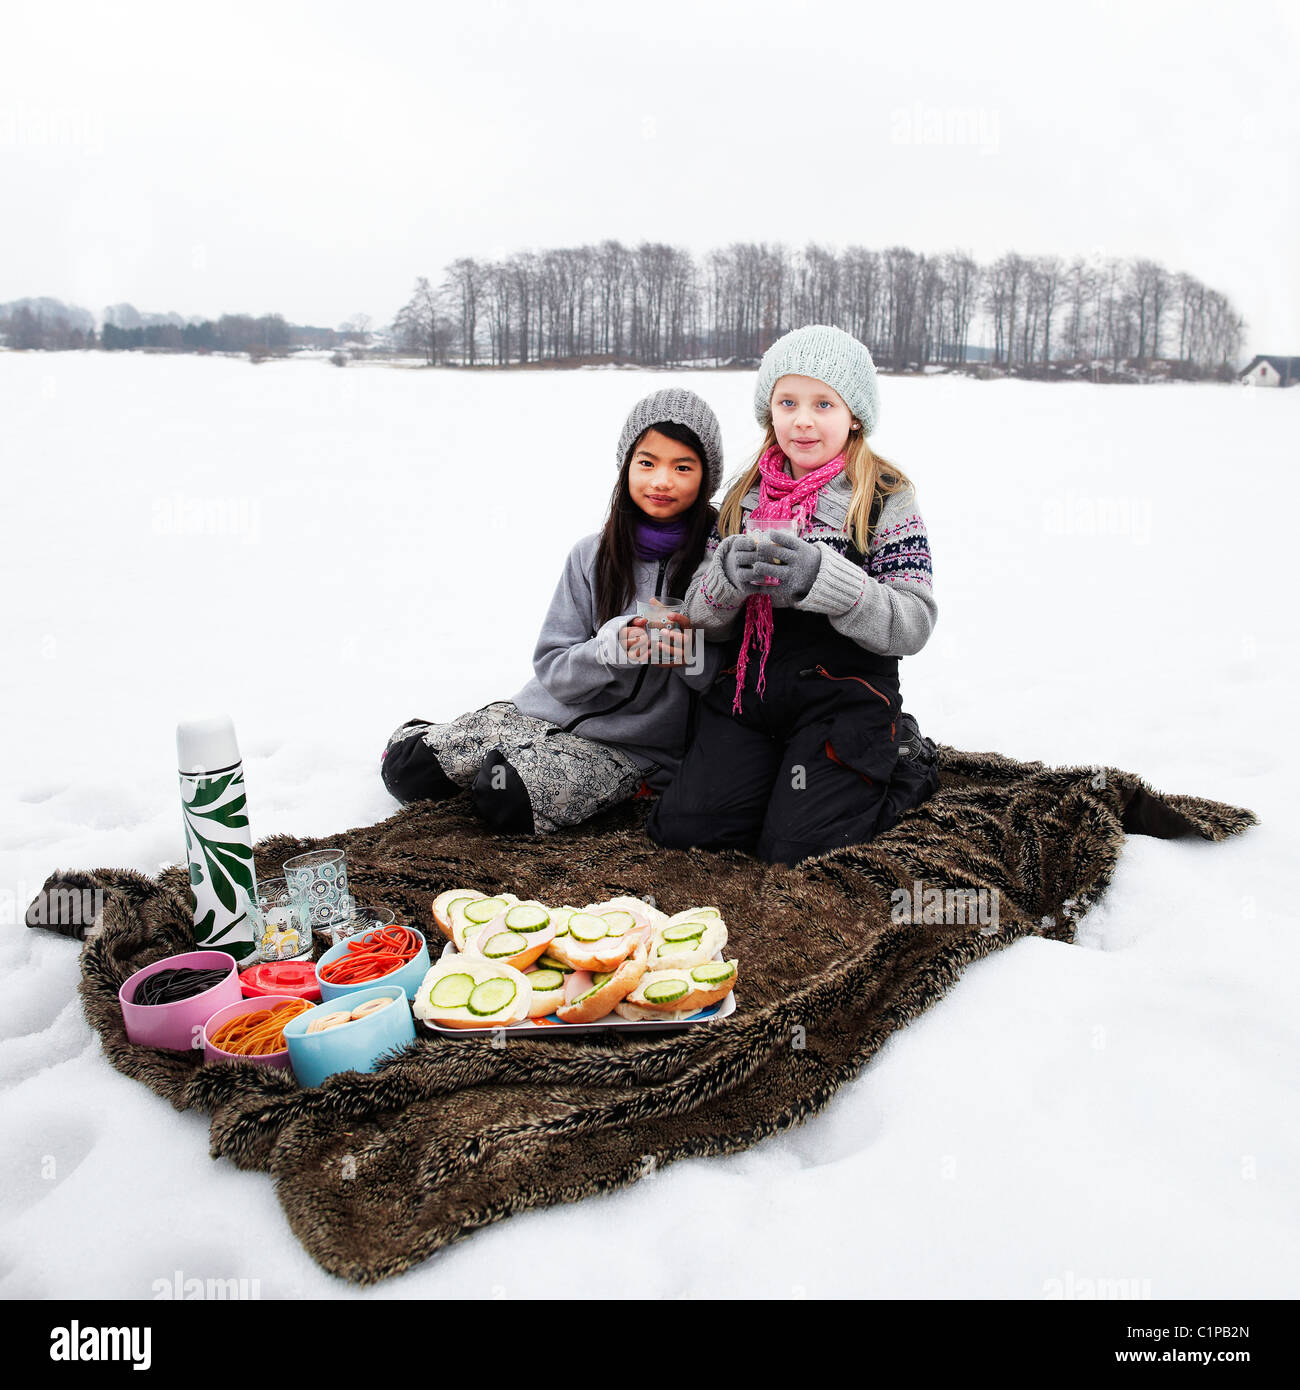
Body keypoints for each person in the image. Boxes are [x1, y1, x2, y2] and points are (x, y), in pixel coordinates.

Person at [647, 324, 941, 866]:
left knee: (797, 849)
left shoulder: (884, 500)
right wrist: (723, 582)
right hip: (748, 697)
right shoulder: (743, 496)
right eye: (788, 402)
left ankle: (903, 754)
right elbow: (699, 623)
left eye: (823, 403)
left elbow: (913, 623)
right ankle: (781, 776)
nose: (803, 420)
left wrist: (820, 580)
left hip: (844, 697)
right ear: (770, 411)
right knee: (687, 829)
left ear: (854, 414)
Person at [380, 388, 724, 834]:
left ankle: (514, 765)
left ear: (705, 477)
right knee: (409, 769)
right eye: (647, 462)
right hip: (538, 713)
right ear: (626, 466)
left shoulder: (714, 564)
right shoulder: (591, 555)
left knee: (507, 797)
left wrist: (688, 656)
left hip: (632, 751)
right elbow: (553, 667)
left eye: (682, 467)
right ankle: (483, 739)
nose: (661, 480)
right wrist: (611, 648)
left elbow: (726, 679)